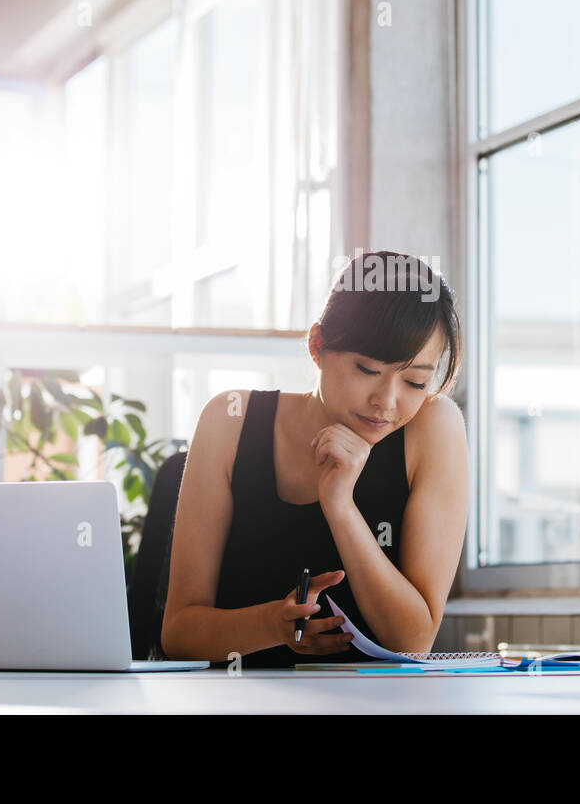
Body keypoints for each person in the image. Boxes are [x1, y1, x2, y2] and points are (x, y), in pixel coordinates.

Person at [160, 250, 468, 667]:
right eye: (367, 370)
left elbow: (412, 641)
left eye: (415, 381)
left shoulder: (432, 427)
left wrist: (341, 507)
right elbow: (179, 633)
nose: (387, 403)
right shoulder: (230, 419)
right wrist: (272, 625)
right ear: (317, 345)